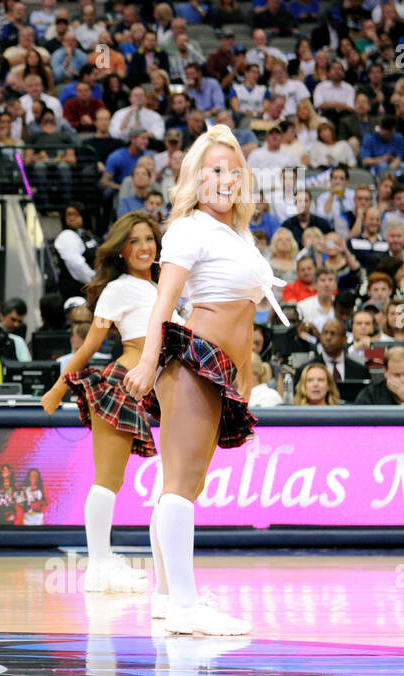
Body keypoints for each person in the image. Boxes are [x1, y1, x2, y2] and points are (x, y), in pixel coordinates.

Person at [122, 126, 290, 636]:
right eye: (214, 170)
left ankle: (167, 595)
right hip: (196, 362)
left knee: (186, 484)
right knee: (181, 484)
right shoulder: (189, 228)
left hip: (220, 370)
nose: (224, 179)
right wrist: (149, 362)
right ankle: (185, 608)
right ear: (197, 177)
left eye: (232, 170)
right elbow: (164, 301)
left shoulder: (235, 233)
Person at [42, 211, 176, 593]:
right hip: (123, 385)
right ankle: (98, 564)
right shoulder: (117, 289)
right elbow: (89, 347)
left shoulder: (163, 287)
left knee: (137, 481)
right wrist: (58, 388)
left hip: (157, 391)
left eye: (149, 239)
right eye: (134, 241)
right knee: (108, 479)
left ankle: (113, 565)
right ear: (121, 249)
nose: (144, 247)